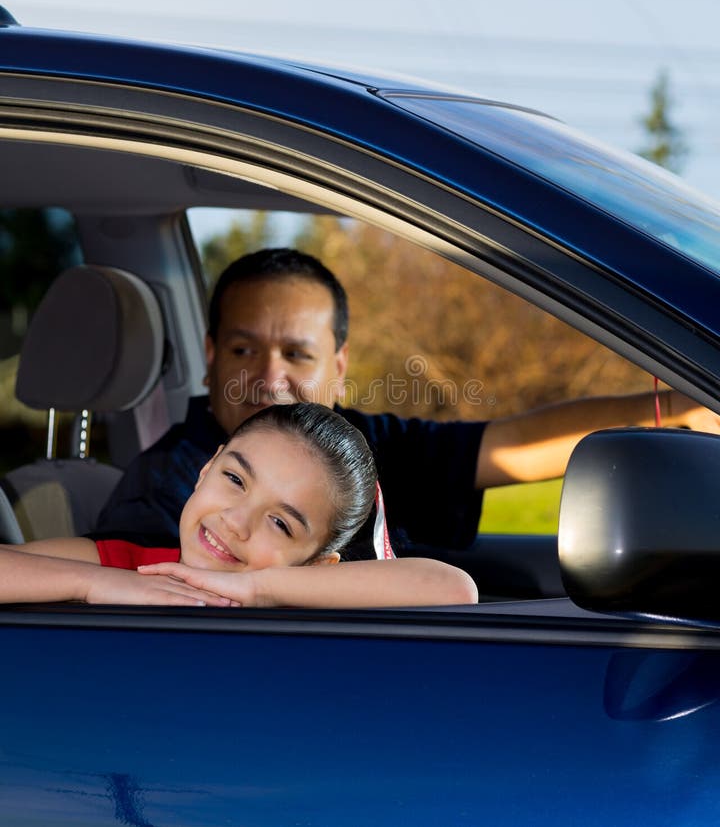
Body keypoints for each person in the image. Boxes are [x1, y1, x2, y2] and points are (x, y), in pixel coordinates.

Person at [94, 247, 720, 559]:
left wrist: (684, 410)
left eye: (298, 354)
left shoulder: (363, 445)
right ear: (211, 355)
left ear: (338, 367)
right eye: (243, 350)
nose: (270, 377)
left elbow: (510, 447)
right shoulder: (166, 485)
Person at [0, 403, 478, 607]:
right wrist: (95, 584)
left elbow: (454, 589)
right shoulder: (133, 565)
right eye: (234, 479)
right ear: (206, 469)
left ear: (317, 564)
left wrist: (261, 589)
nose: (236, 521)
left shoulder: (311, 600)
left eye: (280, 523)